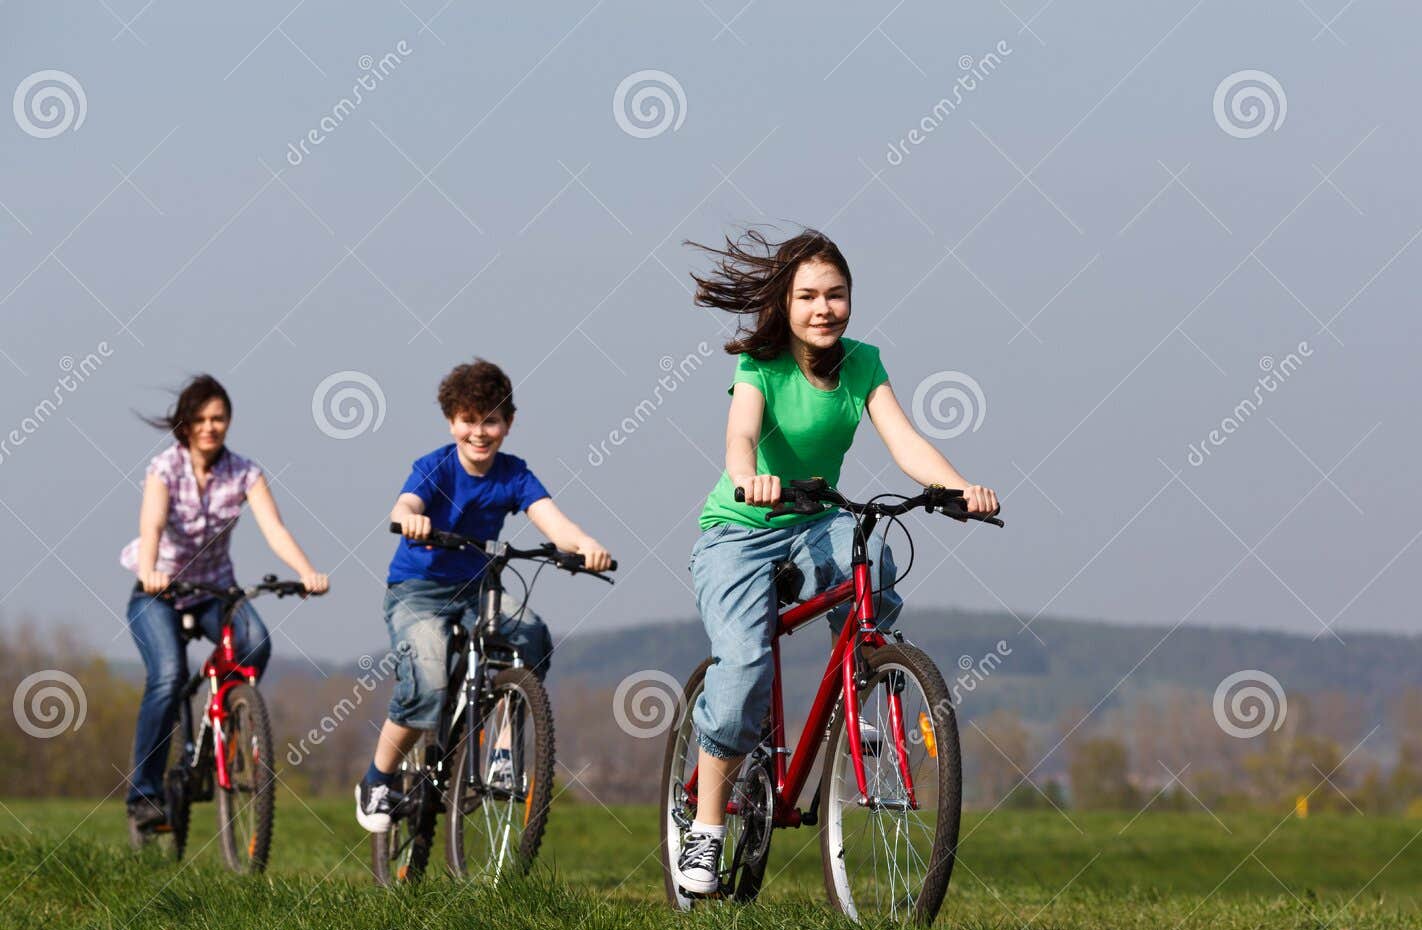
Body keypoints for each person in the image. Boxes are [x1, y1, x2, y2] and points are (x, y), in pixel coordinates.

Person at [674, 227, 999, 895]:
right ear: (783, 303)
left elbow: (906, 442)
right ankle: (705, 827)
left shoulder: (863, 363)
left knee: (872, 561)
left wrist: (959, 488)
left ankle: (865, 687)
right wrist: (748, 478)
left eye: (836, 294)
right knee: (744, 666)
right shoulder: (760, 364)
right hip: (741, 527)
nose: (824, 308)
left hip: (817, 517)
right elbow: (740, 436)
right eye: (808, 296)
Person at [355, 359, 613, 833]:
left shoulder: (513, 474)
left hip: (479, 590)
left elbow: (553, 522)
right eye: (468, 420)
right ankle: (377, 779)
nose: (479, 432)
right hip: (419, 590)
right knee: (427, 681)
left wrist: (585, 546)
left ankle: (503, 751)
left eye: (491, 420)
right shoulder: (435, 467)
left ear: (508, 424)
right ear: (451, 422)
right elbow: (405, 504)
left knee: (530, 634)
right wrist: (410, 519)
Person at [121, 375, 330, 838]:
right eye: (200, 419)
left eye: (218, 418)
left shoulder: (245, 473)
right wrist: (151, 571)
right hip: (159, 591)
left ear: (229, 421)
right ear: (185, 424)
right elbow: (151, 526)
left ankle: (229, 719)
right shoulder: (164, 469)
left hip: (215, 591)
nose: (209, 427)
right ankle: (145, 795)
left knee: (255, 644)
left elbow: (274, 529)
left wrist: (306, 571)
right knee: (168, 676)